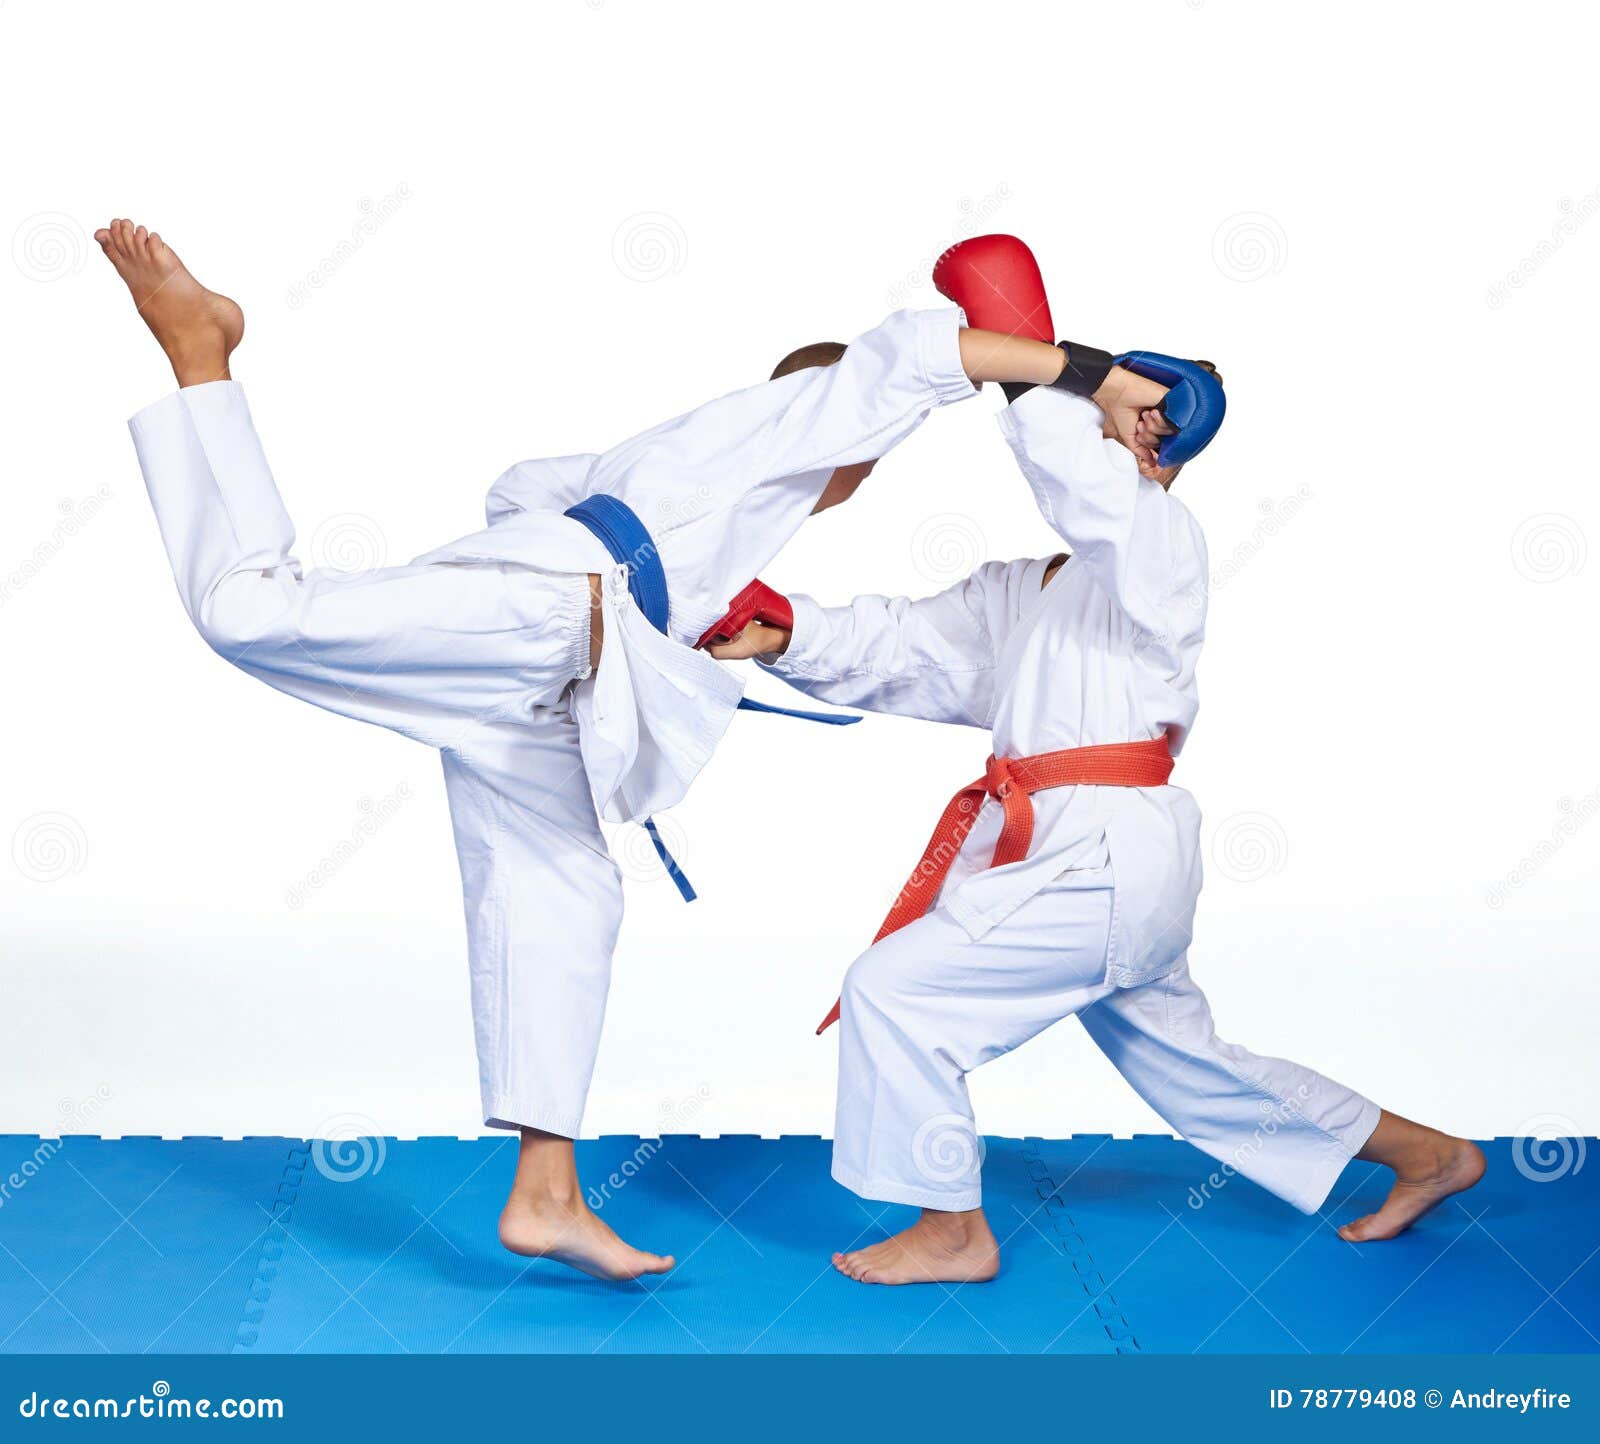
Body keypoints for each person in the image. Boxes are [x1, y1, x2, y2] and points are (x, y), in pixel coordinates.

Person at [93, 218, 1114, 1281]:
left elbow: (519, 486)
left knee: (561, 889)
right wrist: (1091, 374)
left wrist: (650, 613)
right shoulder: (786, 424)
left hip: (556, 665)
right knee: (252, 612)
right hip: (543, 614)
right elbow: (912, 356)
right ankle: (200, 353)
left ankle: (546, 1195)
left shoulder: (711, 479)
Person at [709, 236, 1485, 1285]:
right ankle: (1432, 1156)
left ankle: (951, 1229)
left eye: (1134, 426)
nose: (1114, 441)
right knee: (1197, 1068)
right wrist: (788, 630)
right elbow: (911, 649)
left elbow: (1083, 482)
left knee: (895, 992)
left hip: (1103, 855)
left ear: (1154, 448)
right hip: (1087, 858)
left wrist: (1032, 357)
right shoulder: (1032, 589)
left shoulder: (1159, 544)